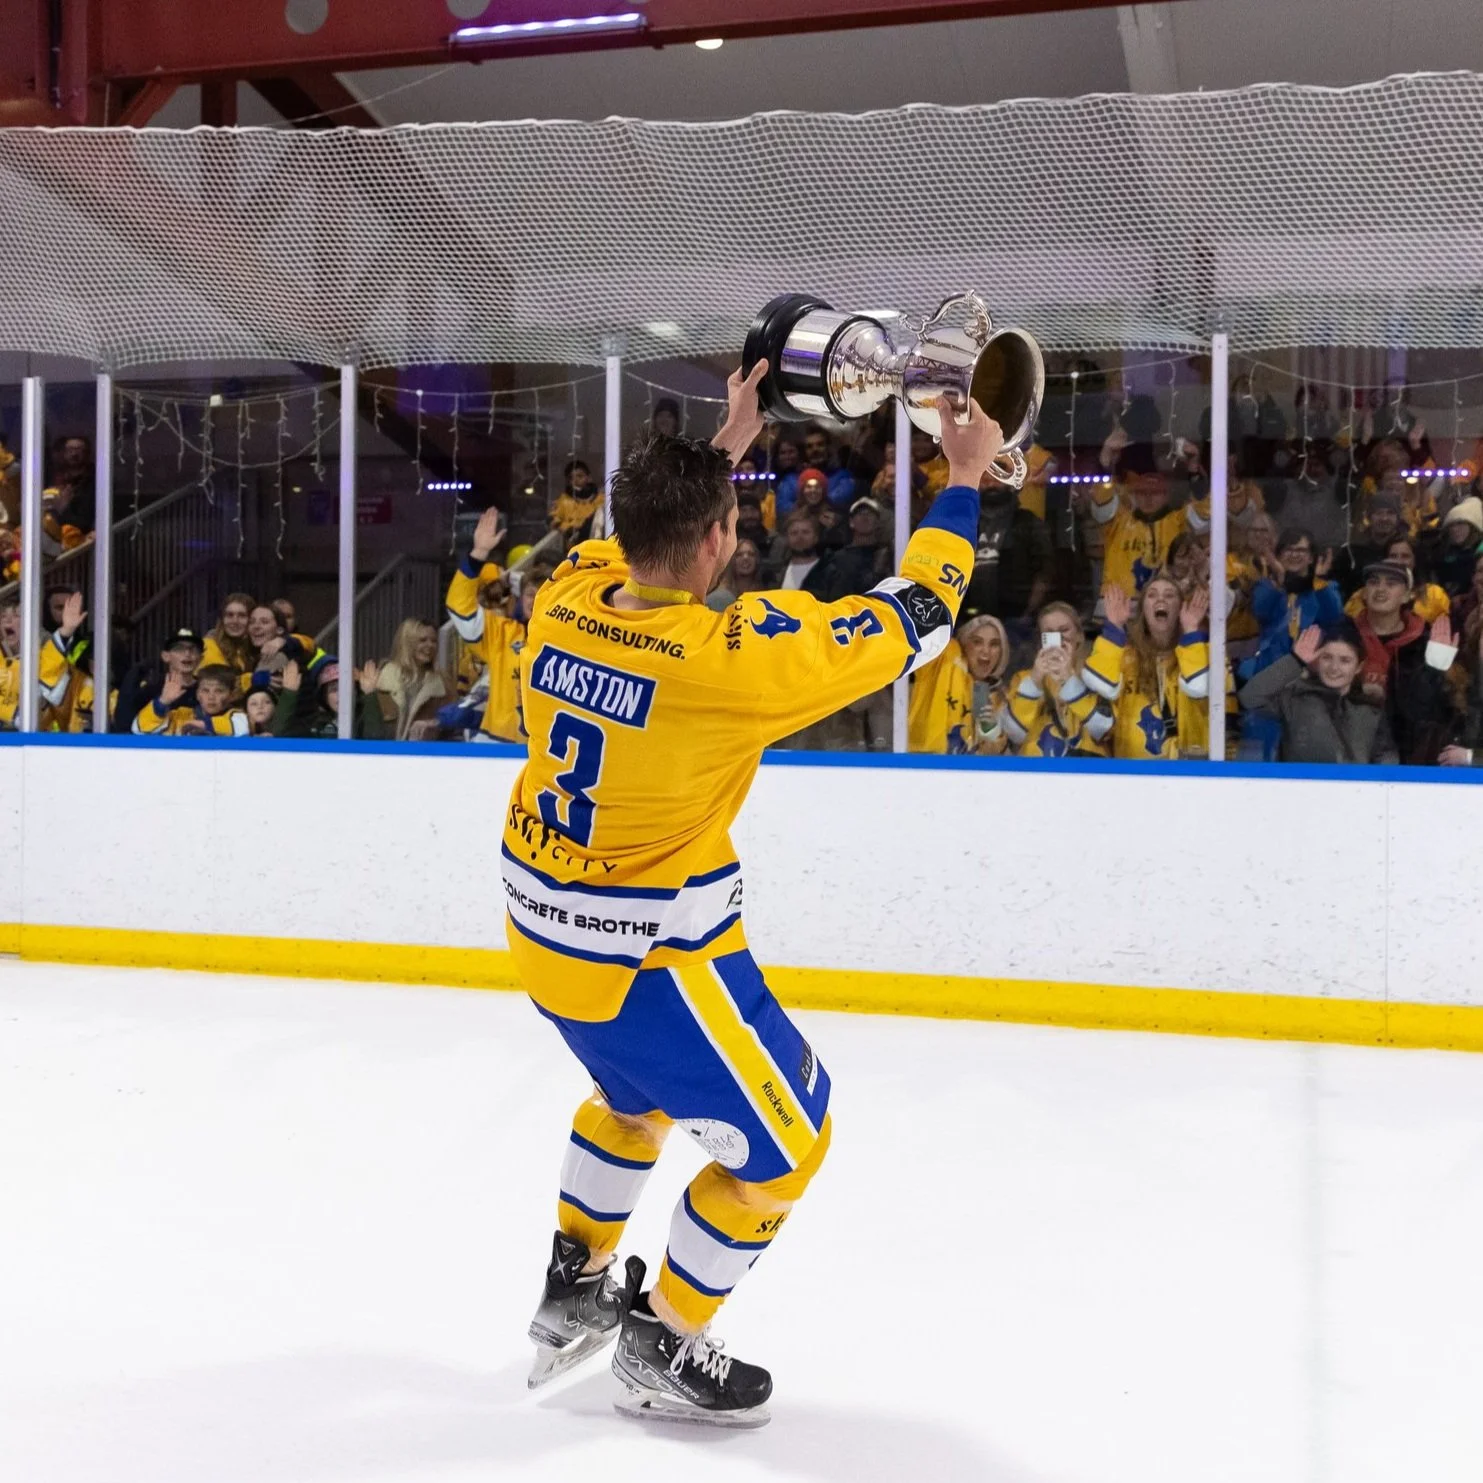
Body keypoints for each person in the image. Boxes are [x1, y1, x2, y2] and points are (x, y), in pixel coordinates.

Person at [510, 359, 1003, 1424]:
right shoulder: (725, 660)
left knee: (633, 1099)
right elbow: (912, 617)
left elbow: (641, 530)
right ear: (720, 542)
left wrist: (721, 443)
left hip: (542, 931)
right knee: (789, 1147)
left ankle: (573, 1282)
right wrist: (960, 477)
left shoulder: (565, 593)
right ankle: (665, 1338)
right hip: (645, 956)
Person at [1086, 442, 1250, 598]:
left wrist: (1193, 470)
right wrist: (1104, 463)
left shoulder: (1179, 522)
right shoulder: (1117, 522)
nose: (1148, 498)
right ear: (1134, 495)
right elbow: (1102, 501)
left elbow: (1203, 514)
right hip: (1121, 613)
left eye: (1155, 492)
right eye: (1142, 492)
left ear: (1166, 495)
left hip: (1167, 609)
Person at [1085, 577, 1213, 759]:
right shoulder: (1122, 656)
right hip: (1133, 771)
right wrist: (1114, 627)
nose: (1161, 600)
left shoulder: (1204, 652)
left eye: (1169, 595)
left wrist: (1191, 630)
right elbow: (1101, 692)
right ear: (1143, 610)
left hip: (1189, 771)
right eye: (1152, 595)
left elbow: (1198, 686)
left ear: (1181, 608)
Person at [1237, 621, 1397, 764]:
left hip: (1354, 795)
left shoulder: (1370, 710)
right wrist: (1295, 660)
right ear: (1317, 660)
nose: (1334, 668)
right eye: (1327, 658)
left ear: (1359, 667)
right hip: (1301, 794)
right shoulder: (1294, 698)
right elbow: (1249, 697)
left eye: (1345, 661)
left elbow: (1387, 762)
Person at [1351, 560, 1455, 763]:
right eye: (1373, 582)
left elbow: (1435, 713)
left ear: (1408, 595)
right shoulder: (1344, 636)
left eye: (1391, 584)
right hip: (1352, 755)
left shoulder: (1427, 643)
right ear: (1364, 592)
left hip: (1411, 758)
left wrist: (1435, 671)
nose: (1380, 589)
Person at [446, 508, 528, 743]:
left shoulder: (567, 635)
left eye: (542, 592)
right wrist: (479, 553)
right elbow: (460, 605)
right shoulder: (502, 632)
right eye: (530, 593)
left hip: (549, 753)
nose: (535, 599)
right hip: (497, 745)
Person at [1000, 602, 1114, 757]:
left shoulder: (1095, 678)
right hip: (1037, 772)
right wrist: (1035, 681)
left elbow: (1104, 730)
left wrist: (1068, 680)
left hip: (1088, 772)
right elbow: (1014, 734)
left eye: (1064, 630)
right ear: (1041, 640)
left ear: (1079, 636)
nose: (1058, 638)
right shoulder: (1024, 679)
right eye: (1049, 632)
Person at [907, 613, 1009, 754]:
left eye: (994, 644)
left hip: (966, 774)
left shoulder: (1002, 698)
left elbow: (996, 763)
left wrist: (991, 731)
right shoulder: (944, 661)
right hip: (924, 766)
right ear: (964, 643)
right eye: (977, 642)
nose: (986, 651)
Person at [0, 592, 83, 728]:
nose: (7, 621)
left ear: (30, 622)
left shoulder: (43, 653)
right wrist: (13, 714)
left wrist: (66, 631)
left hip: (47, 740)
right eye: (3, 616)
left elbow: (48, 673)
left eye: (16, 615)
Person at [376, 619, 453, 741]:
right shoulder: (379, 679)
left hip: (424, 756)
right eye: (423, 640)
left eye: (434, 641)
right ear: (407, 643)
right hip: (385, 755)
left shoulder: (444, 683)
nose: (430, 645)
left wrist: (436, 723)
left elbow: (453, 725)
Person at [271, 656, 385, 739]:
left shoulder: (363, 719)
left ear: (356, 693)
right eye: (333, 689)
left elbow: (375, 740)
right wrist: (289, 694)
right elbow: (279, 735)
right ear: (324, 698)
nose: (341, 695)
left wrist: (370, 695)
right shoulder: (314, 724)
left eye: (346, 688)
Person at [119, 628, 203, 735]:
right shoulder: (149, 690)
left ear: (200, 658)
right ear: (165, 656)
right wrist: (162, 702)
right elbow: (130, 728)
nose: (187, 654)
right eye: (179, 649)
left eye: (193, 649)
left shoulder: (209, 690)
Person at [135, 661, 248, 736]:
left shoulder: (237, 716)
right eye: (205, 690)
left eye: (219, 691)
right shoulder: (181, 716)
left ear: (231, 695)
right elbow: (138, 729)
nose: (211, 697)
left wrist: (204, 725)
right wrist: (162, 701)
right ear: (198, 694)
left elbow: (243, 728)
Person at [821, 497, 890, 600]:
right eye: (860, 513)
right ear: (851, 522)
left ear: (878, 522)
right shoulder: (838, 558)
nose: (865, 516)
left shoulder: (887, 555)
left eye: (870, 513)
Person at [772, 510, 832, 596]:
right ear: (787, 538)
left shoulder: (829, 572)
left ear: (816, 537)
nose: (800, 537)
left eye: (805, 532)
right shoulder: (776, 573)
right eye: (794, 533)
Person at [201, 593, 258, 683]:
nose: (235, 621)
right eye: (229, 615)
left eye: (242, 615)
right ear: (222, 619)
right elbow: (220, 684)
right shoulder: (209, 644)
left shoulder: (254, 645)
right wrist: (254, 679)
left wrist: (281, 641)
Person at [705, 537, 767, 612]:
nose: (745, 557)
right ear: (731, 561)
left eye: (751, 554)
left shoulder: (765, 596)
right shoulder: (719, 598)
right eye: (739, 554)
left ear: (757, 560)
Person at [551, 462, 601, 545]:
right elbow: (554, 522)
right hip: (572, 548)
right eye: (571, 478)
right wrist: (570, 528)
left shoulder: (601, 500)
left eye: (580, 476)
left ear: (589, 477)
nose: (576, 480)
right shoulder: (563, 501)